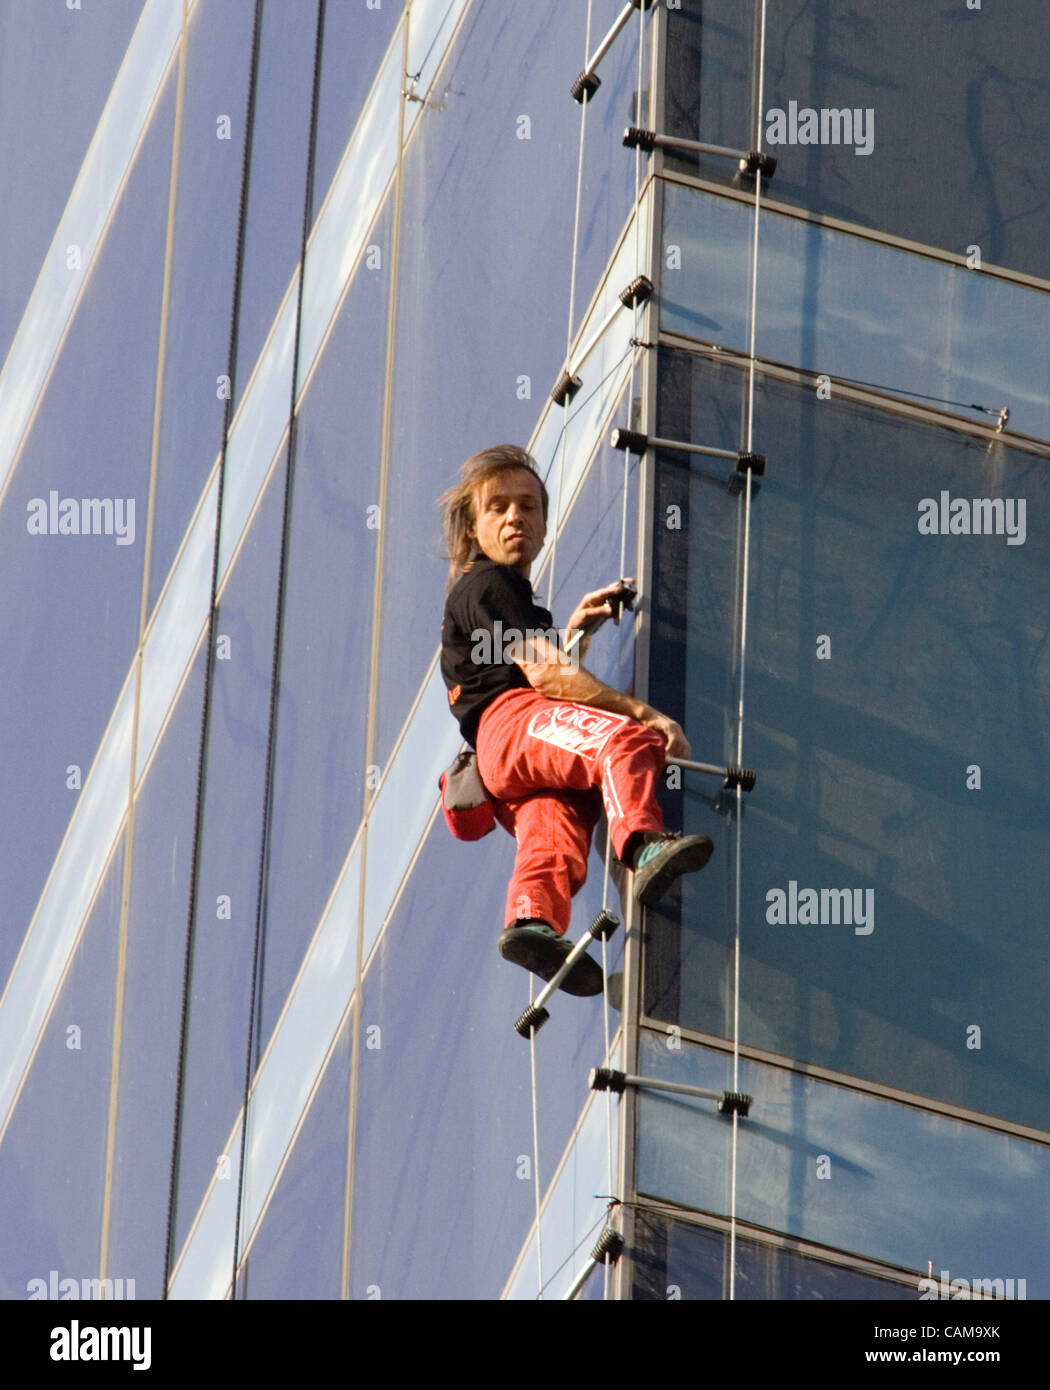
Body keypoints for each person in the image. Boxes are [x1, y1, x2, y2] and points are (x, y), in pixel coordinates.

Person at [439, 444, 712, 994]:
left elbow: (531, 674)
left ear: (542, 521)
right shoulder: (489, 585)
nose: (516, 516)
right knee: (626, 741)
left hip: (506, 754)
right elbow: (542, 681)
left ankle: (531, 922)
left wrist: (574, 636)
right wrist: (643, 712)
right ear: (473, 527)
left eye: (529, 506)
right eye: (498, 507)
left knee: (553, 829)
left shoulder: (494, 597)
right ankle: (643, 844)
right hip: (514, 727)